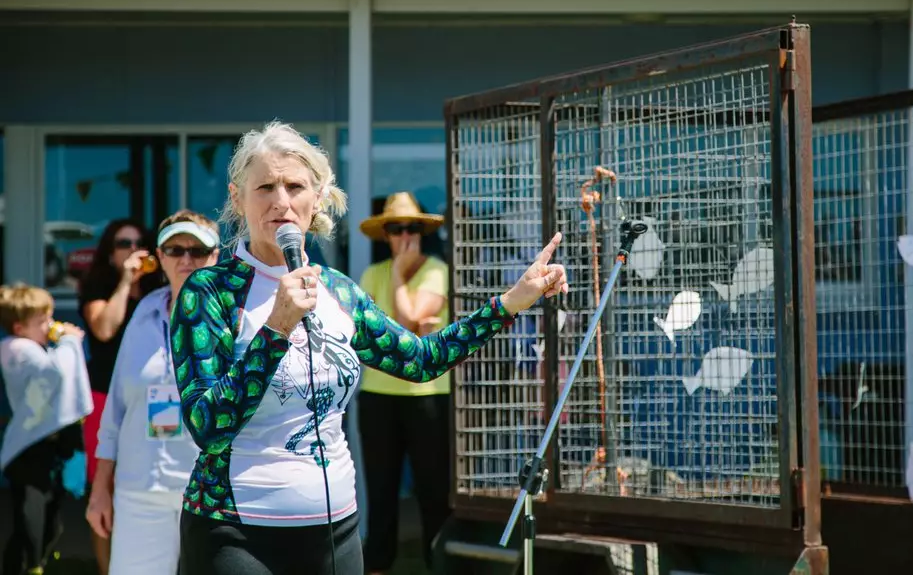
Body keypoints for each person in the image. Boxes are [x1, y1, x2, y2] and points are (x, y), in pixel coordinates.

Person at [171, 121, 569, 575]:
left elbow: (421, 361)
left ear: (317, 198)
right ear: (238, 197)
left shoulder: (339, 291)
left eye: (295, 185)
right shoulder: (209, 292)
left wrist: (510, 302)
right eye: (265, 186)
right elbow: (207, 427)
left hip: (334, 532)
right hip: (235, 532)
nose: (281, 201)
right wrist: (276, 328)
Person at [84, 209, 222, 575]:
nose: (187, 259)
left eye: (198, 250)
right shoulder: (144, 311)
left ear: (216, 256)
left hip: (212, 493)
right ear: (159, 257)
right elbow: (115, 409)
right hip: (140, 486)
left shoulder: (236, 320)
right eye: (175, 250)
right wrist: (101, 488)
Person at [356, 192, 453, 574]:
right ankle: (378, 566)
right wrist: (410, 324)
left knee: (434, 493)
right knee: (380, 494)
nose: (405, 236)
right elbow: (382, 336)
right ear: (386, 235)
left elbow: (408, 319)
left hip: (429, 396)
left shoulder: (437, 270)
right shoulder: (369, 275)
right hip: (378, 397)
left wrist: (398, 274)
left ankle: (438, 565)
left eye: (412, 228)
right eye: (396, 229)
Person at [78, 218, 164, 575]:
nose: (132, 251)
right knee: (104, 485)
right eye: (123, 244)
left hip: (156, 397)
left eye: (138, 243)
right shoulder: (97, 285)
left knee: (153, 475)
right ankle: (105, 568)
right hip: (104, 396)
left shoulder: (161, 289)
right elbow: (104, 328)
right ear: (110, 254)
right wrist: (126, 282)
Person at [0, 283, 93, 575]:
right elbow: (52, 372)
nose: (50, 325)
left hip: (49, 448)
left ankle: (37, 561)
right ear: (19, 326)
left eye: (50, 317)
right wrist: (69, 342)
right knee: (30, 519)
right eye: (42, 321)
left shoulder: (38, 347)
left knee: (53, 520)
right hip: (26, 450)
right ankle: (30, 566)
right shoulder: (15, 348)